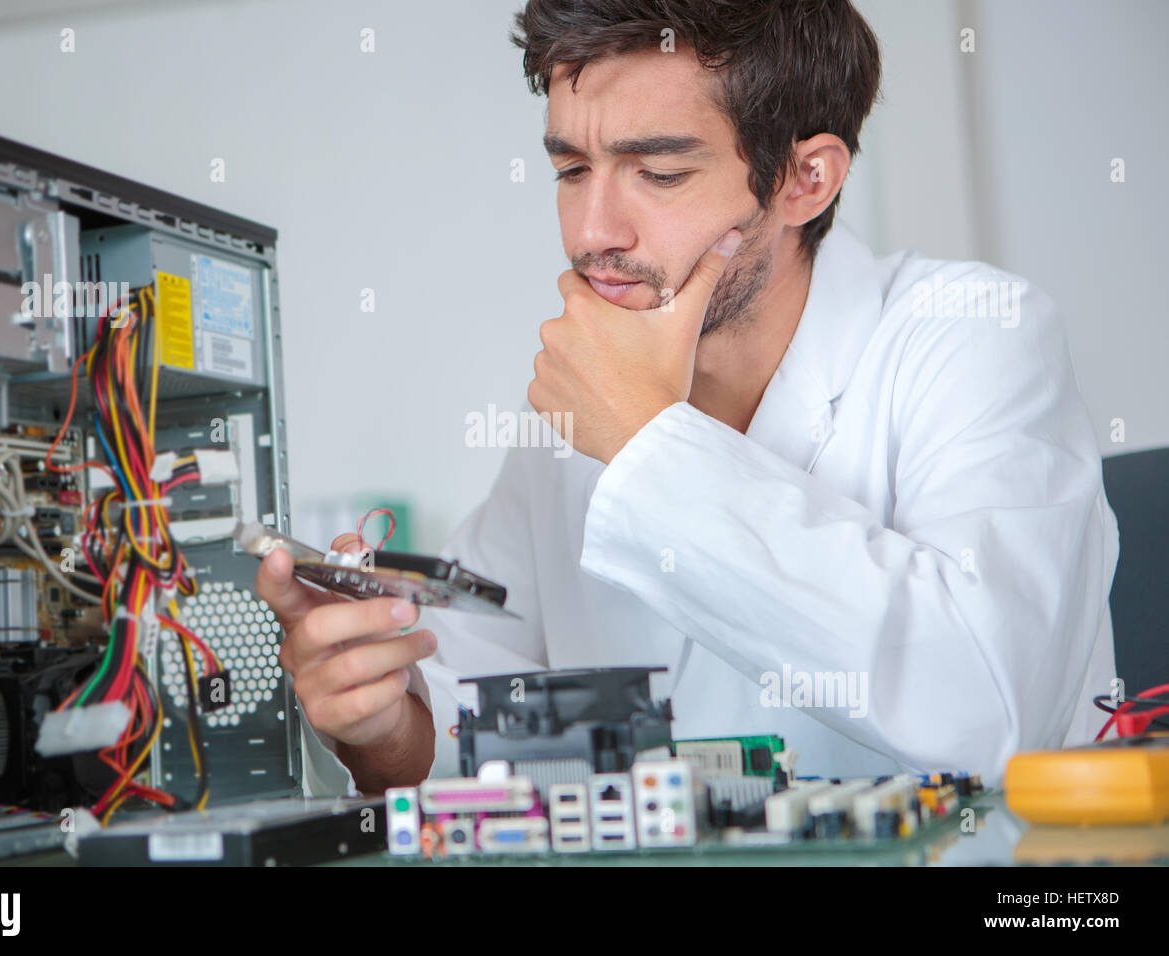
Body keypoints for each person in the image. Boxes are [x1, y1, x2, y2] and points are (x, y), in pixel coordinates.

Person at [257, 0, 1117, 794]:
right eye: (572, 169)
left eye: (658, 175)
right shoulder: (577, 410)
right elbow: (458, 699)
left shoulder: (974, 334)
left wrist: (646, 442)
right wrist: (379, 715)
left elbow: (989, 707)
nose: (594, 232)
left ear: (805, 179)